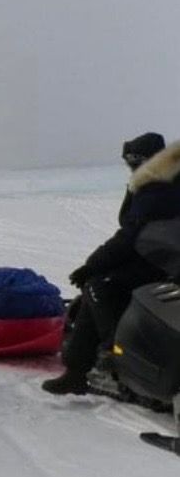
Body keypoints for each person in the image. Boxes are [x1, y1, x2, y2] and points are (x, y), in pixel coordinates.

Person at [43, 133, 180, 394]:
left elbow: (131, 236)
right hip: (166, 258)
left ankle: (112, 354)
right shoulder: (169, 181)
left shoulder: (156, 188)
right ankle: (79, 368)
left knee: (99, 286)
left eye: (132, 162)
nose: (130, 168)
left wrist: (92, 266)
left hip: (161, 261)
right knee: (98, 286)